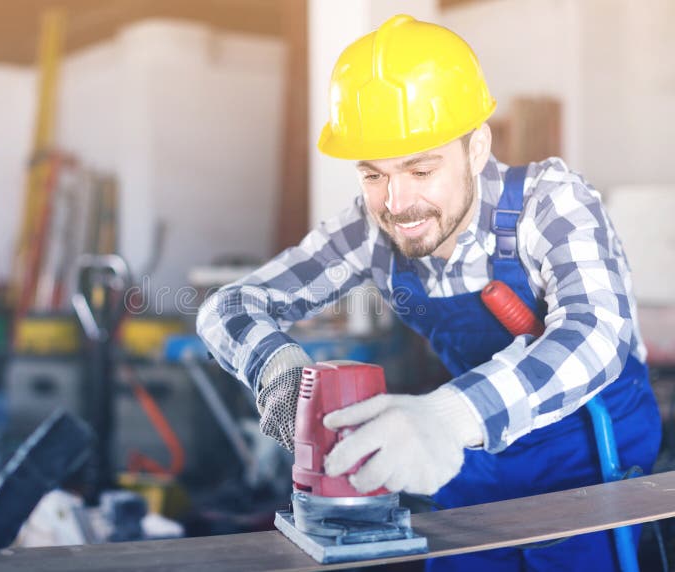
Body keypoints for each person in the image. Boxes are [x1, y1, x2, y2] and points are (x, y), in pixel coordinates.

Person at [196, 14, 661, 571]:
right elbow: (227, 307)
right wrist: (276, 368)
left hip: (591, 473)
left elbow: (597, 335)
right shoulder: (367, 231)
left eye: (420, 169)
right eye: (374, 175)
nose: (397, 203)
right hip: (475, 471)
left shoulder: (549, 202)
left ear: (477, 147)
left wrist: (444, 418)